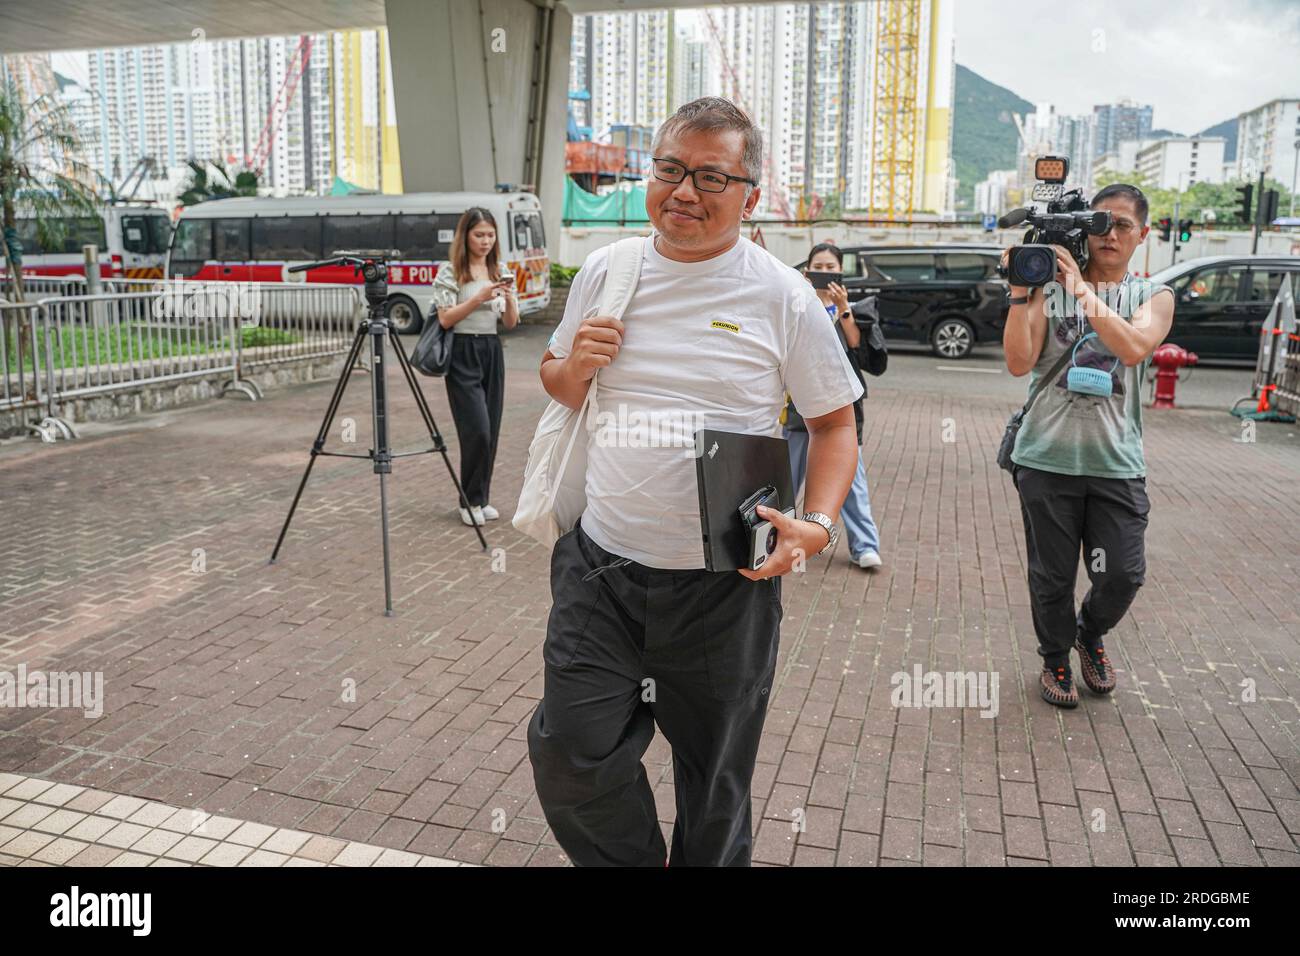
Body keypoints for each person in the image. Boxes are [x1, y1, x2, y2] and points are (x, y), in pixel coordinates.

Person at [526, 96, 863, 867]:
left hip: (727, 585)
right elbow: (557, 378)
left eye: (711, 176)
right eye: (670, 169)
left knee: (714, 790)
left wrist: (817, 526)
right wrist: (575, 368)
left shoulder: (782, 295)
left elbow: (834, 425)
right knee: (571, 752)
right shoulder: (608, 270)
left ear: (750, 193)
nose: (683, 191)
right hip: (602, 570)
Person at [1001, 183, 1174, 708]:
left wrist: (1080, 290)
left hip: (1115, 462)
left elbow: (1134, 346)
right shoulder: (1047, 288)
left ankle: (1089, 633)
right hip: (1046, 457)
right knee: (1052, 576)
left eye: (1123, 226)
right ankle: (1055, 656)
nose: (1110, 235)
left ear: (1143, 235)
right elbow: (1019, 362)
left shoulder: (1153, 296)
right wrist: (1020, 293)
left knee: (1121, 573)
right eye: (1100, 223)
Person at [782, 242, 883, 569]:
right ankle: (774, 537)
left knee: (851, 479)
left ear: (841, 271)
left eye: (831, 268)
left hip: (842, 411)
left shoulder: (852, 309)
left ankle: (865, 545)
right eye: (818, 267)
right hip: (798, 408)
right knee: (785, 478)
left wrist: (843, 308)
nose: (824, 273)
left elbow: (861, 352)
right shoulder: (796, 306)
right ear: (806, 271)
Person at [431, 207, 519, 526]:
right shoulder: (451, 271)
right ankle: (468, 501)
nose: (485, 241)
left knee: (491, 428)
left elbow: (511, 322)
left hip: (491, 350)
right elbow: (445, 319)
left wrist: (509, 297)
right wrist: (478, 298)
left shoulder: (500, 269)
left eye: (490, 235)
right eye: (479, 234)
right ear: (465, 236)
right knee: (476, 430)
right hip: (462, 351)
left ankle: (481, 497)